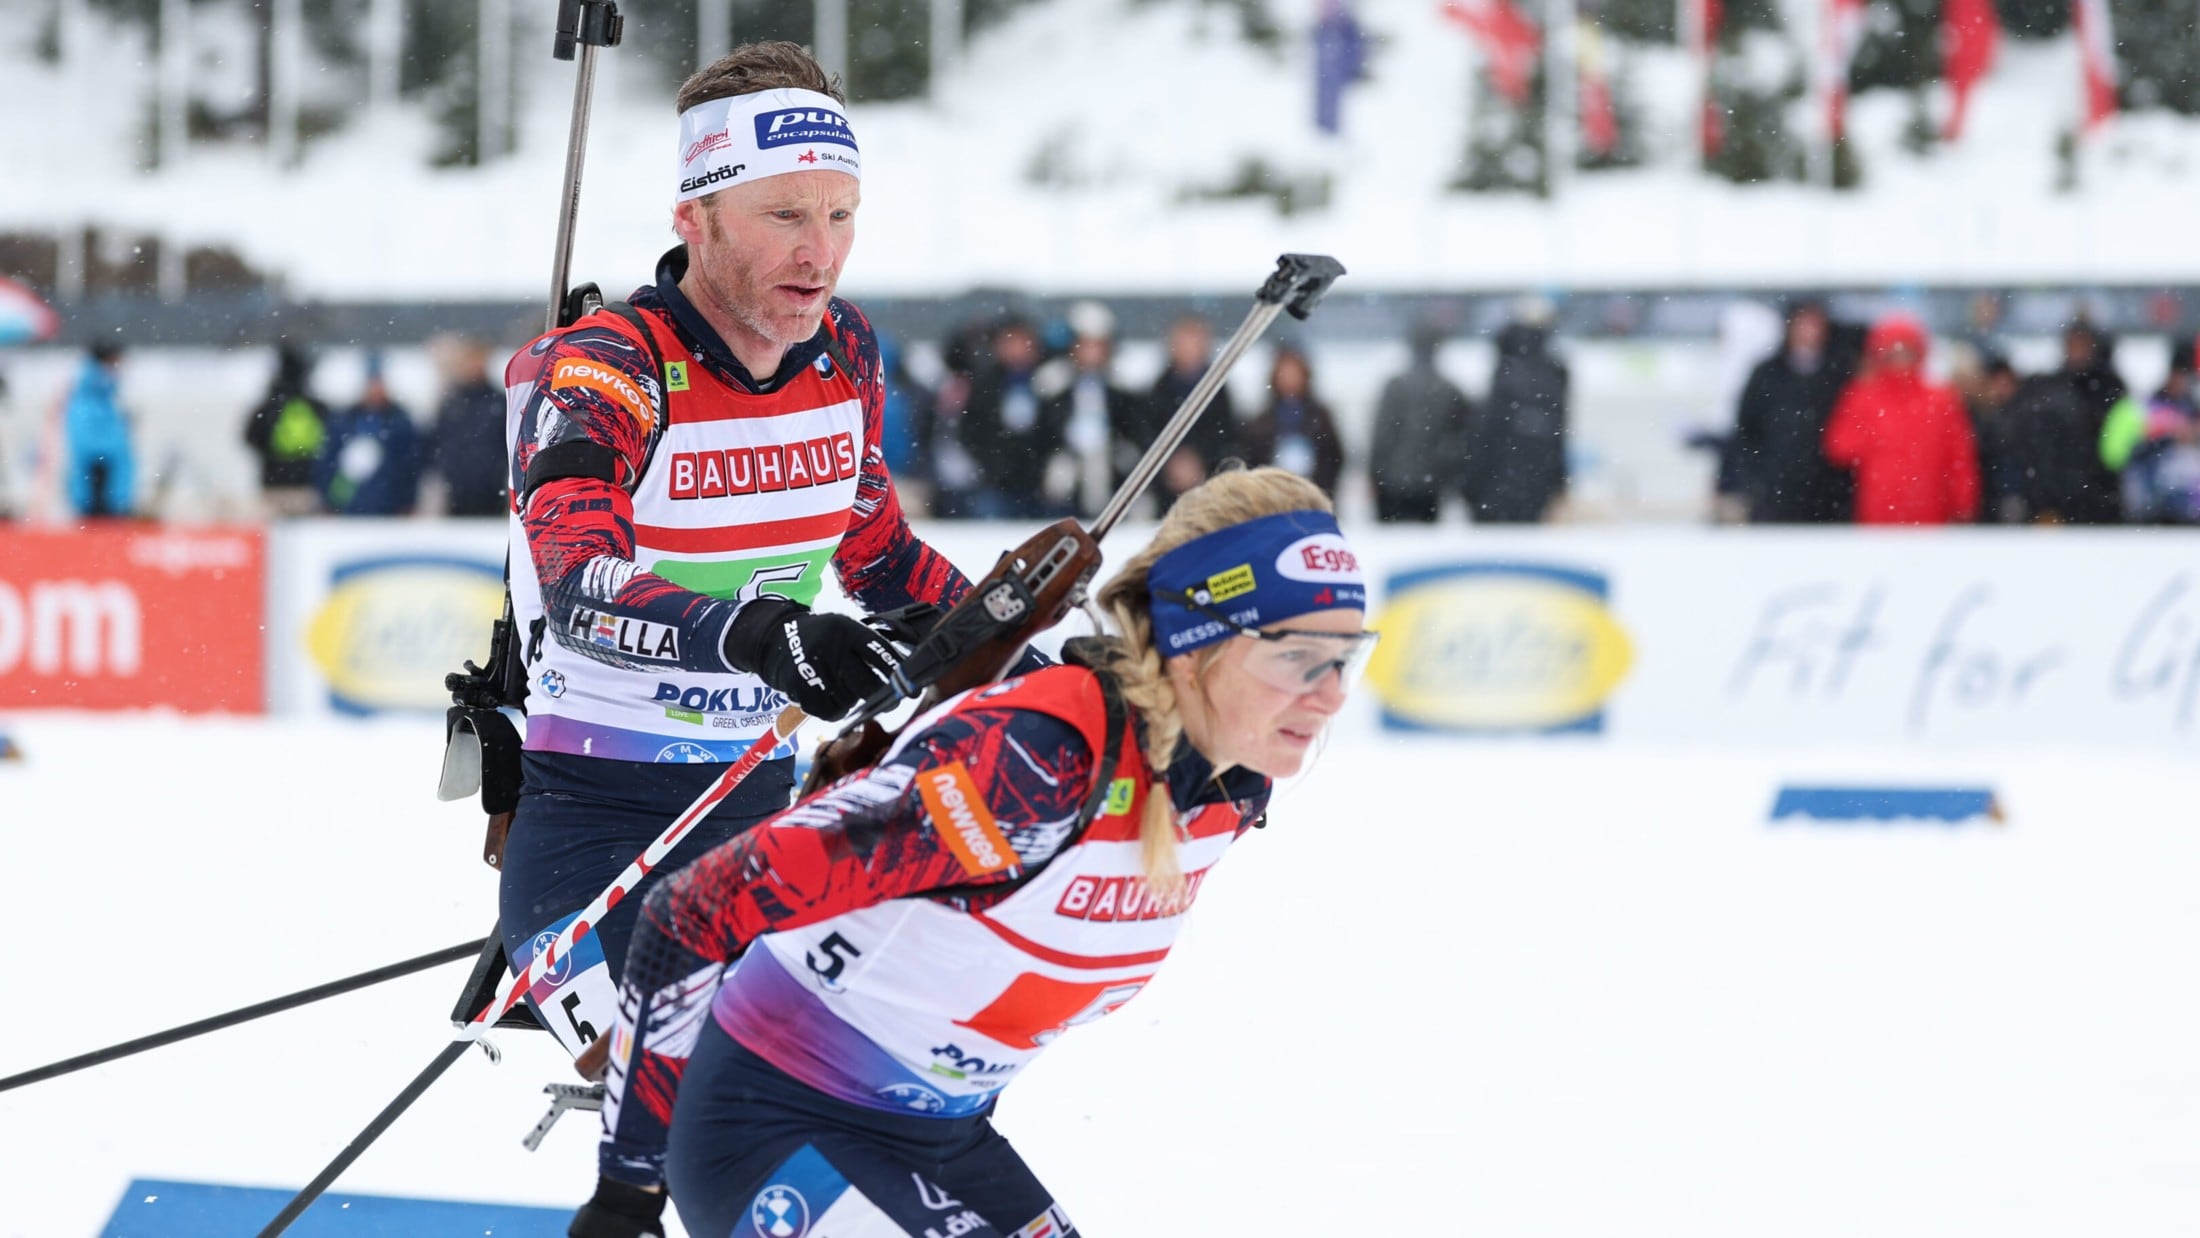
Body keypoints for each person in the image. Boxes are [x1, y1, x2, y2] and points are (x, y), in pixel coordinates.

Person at [572, 467, 1373, 1238]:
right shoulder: (1033, 768)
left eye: (1344, 658)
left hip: (938, 1140)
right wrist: (626, 1196)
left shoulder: (1229, 787)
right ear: (1200, 645)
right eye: (1297, 657)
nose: (1332, 694)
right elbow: (697, 908)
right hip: (773, 1124)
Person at [496, 42, 985, 1084]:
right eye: (783, 215)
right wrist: (764, 636)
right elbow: (582, 584)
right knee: (703, 1099)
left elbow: (880, 554)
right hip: (597, 822)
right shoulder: (611, 367)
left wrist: (1061, 669)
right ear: (696, 218)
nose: (820, 251)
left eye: (839, 213)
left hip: (761, 815)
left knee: (871, 1094)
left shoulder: (845, 350)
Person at [1821, 314, 1980, 525]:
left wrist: (1964, 500)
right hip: (1879, 511)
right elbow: (1838, 447)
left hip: (1930, 511)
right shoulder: (1863, 396)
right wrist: (1878, 441)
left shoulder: (1941, 399)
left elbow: (1959, 454)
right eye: (1892, 353)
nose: (1900, 360)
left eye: (1906, 352)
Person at [1721, 299, 1857, 523]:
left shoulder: (1840, 373)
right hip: (1776, 494)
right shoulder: (1767, 374)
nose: (1808, 331)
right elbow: (1747, 430)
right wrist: (1756, 483)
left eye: (1815, 324)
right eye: (1802, 323)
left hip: (1829, 496)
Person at [1041, 299, 1146, 520]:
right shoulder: (1051, 383)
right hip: (1065, 481)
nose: (1092, 352)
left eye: (1098, 345)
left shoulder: (1122, 386)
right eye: (1085, 344)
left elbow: (1136, 431)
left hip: (1111, 475)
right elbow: (1041, 433)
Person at [1464, 306, 1570, 523]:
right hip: (1535, 490)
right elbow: (1557, 439)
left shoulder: (1505, 379)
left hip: (1495, 490)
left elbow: (1485, 439)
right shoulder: (1552, 378)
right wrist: (1559, 484)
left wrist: (1470, 487)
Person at [955, 315, 1066, 519]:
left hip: (1040, 484)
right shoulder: (985, 383)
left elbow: (1059, 428)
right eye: (1009, 342)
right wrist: (990, 465)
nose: (1016, 349)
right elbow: (969, 430)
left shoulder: (1051, 381)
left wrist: (1047, 463)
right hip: (996, 484)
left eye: (1022, 342)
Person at [1368, 319, 1469, 523]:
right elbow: (1457, 441)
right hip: (1430, 484)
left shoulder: (1395, 386)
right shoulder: (1449, 390)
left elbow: (1382, 436)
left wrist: (1374, 474)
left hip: (1393, 482)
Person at [2100, 336, 2200, 525]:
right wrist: (2166, 440)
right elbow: (2114, 456)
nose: (2181, 381)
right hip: (2149, 515)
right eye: (2178, 374)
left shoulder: (2193, 412)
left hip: (2191, 516)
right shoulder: (2138, 409)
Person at [1144, 313, 1240, 502]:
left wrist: (1200, 459)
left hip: (1211, 484)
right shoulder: (1158, 390)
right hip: (1164, 488)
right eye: (1183, 342)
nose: (1189, 349)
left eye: (1195, 342)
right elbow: (1148, 433)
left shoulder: (1220, 392)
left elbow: (1226, 435)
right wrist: (1172, 462)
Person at [1239, 344, 1345, 496]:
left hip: (1312, 495)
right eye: (1285, 373)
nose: (1290, 379)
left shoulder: (1321, 417)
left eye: (1294, 373)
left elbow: (1334, 458)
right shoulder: (1261, 421)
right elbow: (1251, 458)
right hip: (1271, 496)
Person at [424, 335, 510, 516]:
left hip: (492, 490)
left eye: (479, 359)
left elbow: (507, 445)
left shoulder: (499, 401)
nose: (475, 365)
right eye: (471, 359)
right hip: (456, 492)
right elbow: (437, 443)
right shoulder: (451, 401)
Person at [242, 344, 328, 516]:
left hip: (273, 486)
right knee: (307, 539)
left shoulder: (270, 406)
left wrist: (274, 459)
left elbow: (250, 437)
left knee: (275, 539)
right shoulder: (314, 406)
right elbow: (330, 440)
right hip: (307, 487)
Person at [62, 342, 136, 518]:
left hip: (93, 462)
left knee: (92, 495)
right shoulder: (99, 387)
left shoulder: (86, 388)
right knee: (98, 498)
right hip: (100, 459)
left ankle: (95, 511)